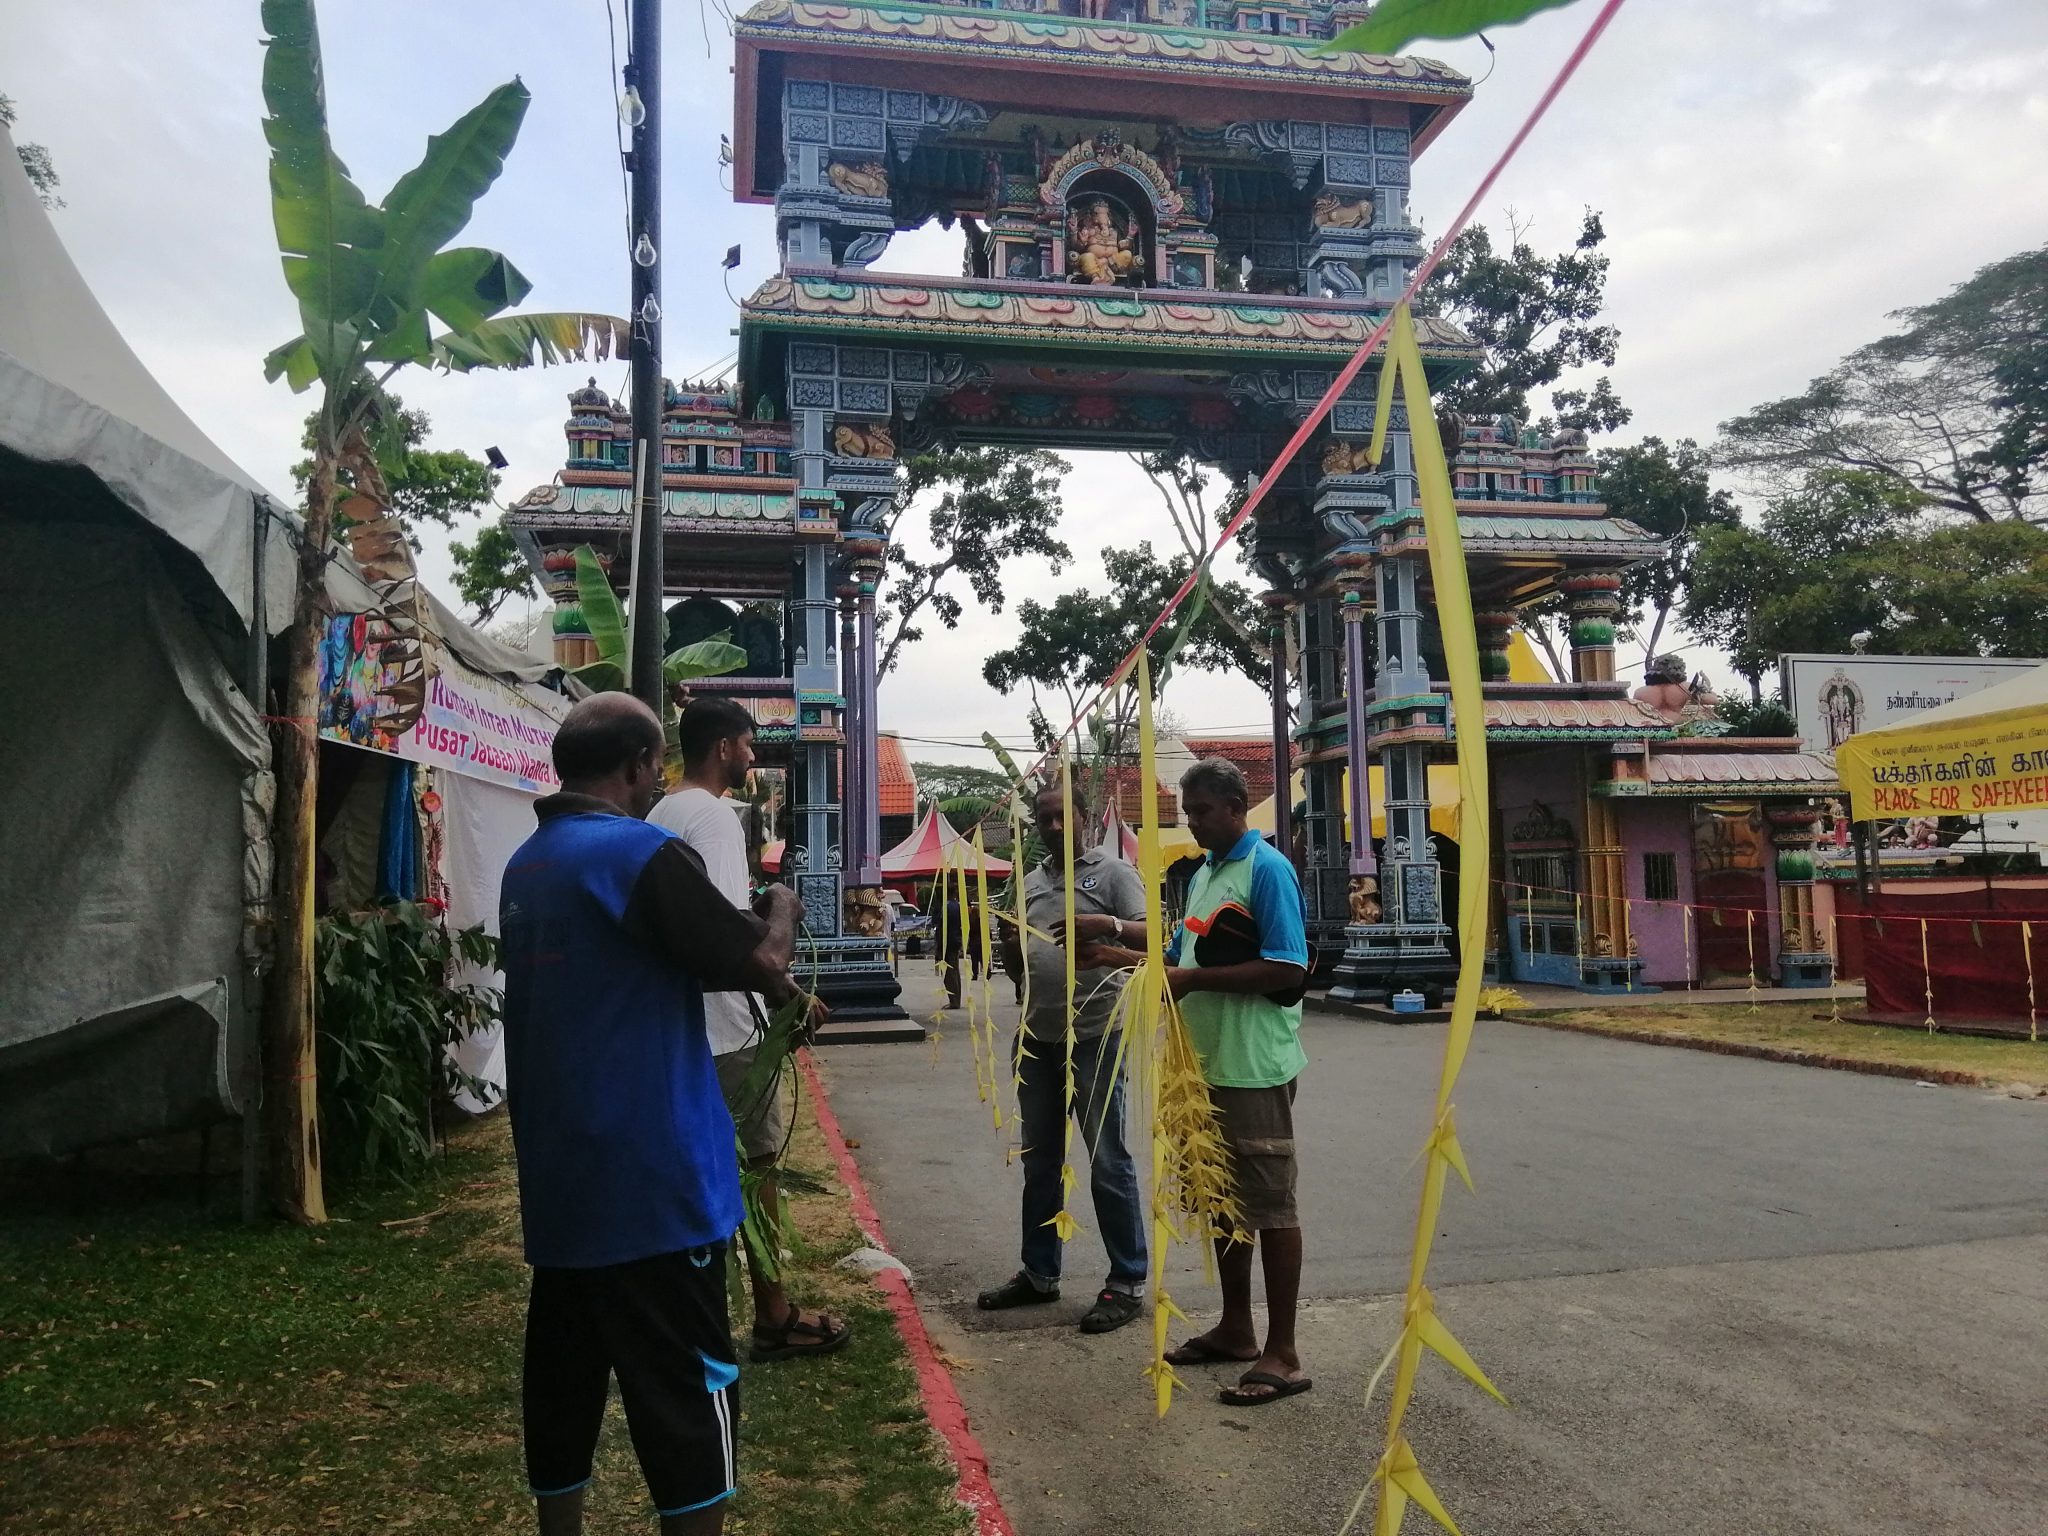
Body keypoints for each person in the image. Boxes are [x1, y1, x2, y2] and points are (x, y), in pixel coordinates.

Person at [499, 693, 815, 1535]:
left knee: (564, 1382)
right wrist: (783, 903)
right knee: (688, 1390)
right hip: (655, 1186)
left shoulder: (529, 865)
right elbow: (759, 959)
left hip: (563, 1184)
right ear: (641, 764)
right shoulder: (638, 853)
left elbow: (649, 962)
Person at [651, 696, 850, 1365]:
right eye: (747, 744)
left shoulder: (659, 813)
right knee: (757, 1167)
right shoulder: (713, 816)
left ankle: (693, 1313)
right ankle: (773, 1314)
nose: (753, 756)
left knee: (697, 1171)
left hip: (683, 1027)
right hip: (727, 1032)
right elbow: (730, 938)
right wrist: (782, 918)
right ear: (724, 748)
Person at [1156, 757, 1313, 1406]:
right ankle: (1237, 1327)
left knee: (1269, 1206)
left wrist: (1191, 980)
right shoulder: (1206, 874)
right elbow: (1181, 955)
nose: (1192, 823)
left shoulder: (1266, 869)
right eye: (1187, 813)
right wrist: (1110, 942)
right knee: (1222, 1200)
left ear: (1235, 808)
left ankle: (1285, 1353)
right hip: (1204, 1065)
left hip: (1252, 1066)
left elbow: (1288, 968)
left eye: (1201, 812)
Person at [979, 782, 1151, 1333]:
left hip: (1097, 1034)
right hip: (1039, 1037)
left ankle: (1127, 1280)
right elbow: (1021, 970)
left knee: (1107, 1160)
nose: (1054, 828)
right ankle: (1039, 1272)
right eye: (1045, 819)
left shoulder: (1114, 872)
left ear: (1084, 818)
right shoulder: (1030, 882)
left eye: (1063, 817)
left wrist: (1107, 926)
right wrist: (1010, 948)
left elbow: (1155, 937)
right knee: (1040, 1161)